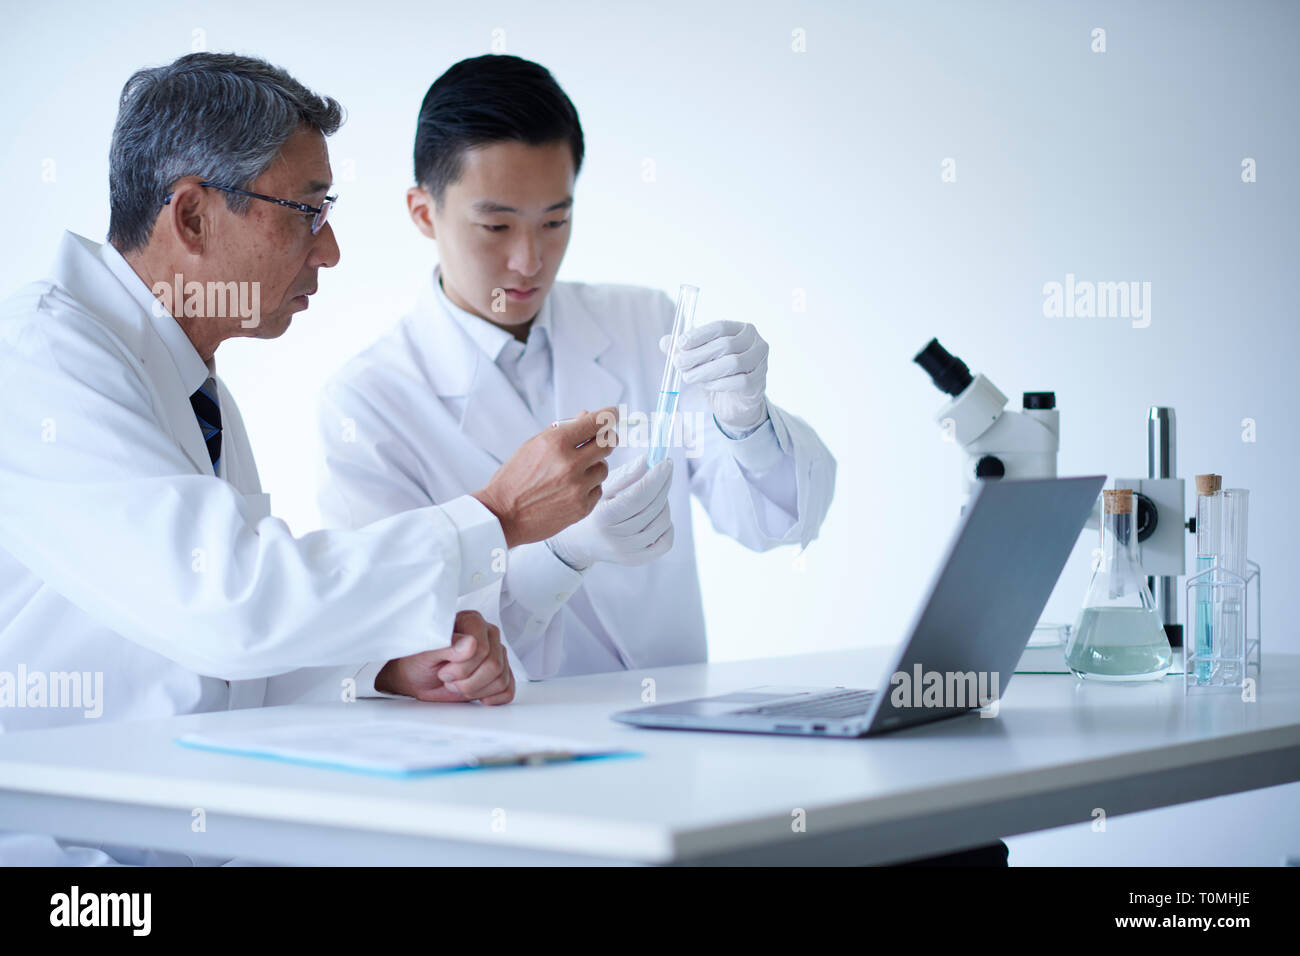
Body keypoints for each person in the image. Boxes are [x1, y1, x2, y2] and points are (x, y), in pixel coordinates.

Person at [0, 53, 615, 865]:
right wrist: (493, 516)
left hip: (159, 830)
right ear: (190, 217)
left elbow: (212, 657)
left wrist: (386, 667)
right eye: (305, 211)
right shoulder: (42, 364)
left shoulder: (189, 378)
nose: (327, 251)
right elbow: (225, 606)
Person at [317, 54, 836, 679]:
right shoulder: (370, 401)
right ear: (424, 213)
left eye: (555, 221)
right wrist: (561, 555)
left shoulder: (643, 324)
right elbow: (402, 636)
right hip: (504, 747)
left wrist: (747, 427)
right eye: (496, 225)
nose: (529, 260)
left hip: (678, 729)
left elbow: (777, 522)